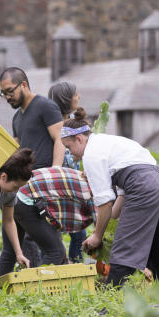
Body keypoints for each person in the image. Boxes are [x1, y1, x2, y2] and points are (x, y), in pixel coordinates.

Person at [61, 108, 159, 287]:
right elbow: (120, 196)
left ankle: (110, 302)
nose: (70, 154)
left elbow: (105, 203)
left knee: (124, 250)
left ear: (79, 139)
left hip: (143, 187)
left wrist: (97, 236)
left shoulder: (91, 154)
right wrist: (108, 225)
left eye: (69, 147)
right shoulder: (107, 141)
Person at [0, 67, 65, 271]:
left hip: (41, 188)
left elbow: (60, 138)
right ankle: (7, 295)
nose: (7, 97)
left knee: (47, 247)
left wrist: (56, 172)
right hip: (22, 190)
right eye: (4, 93)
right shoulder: (17, 118)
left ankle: (30, 293)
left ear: (23, 85)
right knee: (12, 250)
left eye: (10, 91)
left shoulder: (45, 106)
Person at [0, 148, 94, 269]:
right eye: (15, 187)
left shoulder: (11, 190)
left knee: (10, 251)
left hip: (26, 197)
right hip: (27, 200)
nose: (15, 191)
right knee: (56, 252)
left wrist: (19, 252)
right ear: (3, 177)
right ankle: (37, 286)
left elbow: (9, 221)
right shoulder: (100, 195)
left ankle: (1, 287)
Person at [47, 80, 87, 261]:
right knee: (57, 233)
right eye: (76, 94)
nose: (79, 97)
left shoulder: (72, 124)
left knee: (78, 233)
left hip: (73, 188)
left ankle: (75, 266)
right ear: (67, 99)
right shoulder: (55, 127)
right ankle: (60, 267)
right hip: (59, 188)